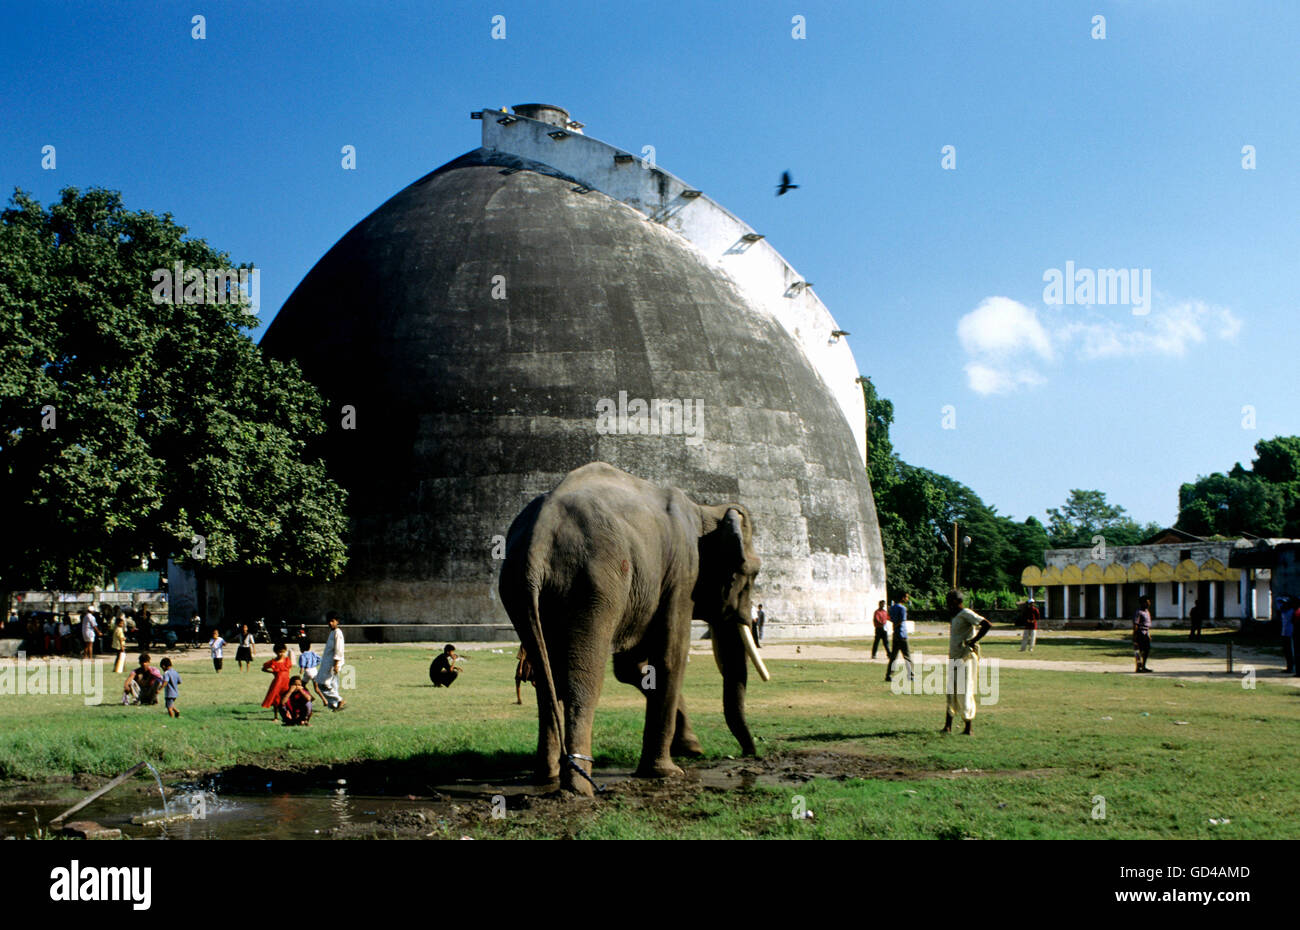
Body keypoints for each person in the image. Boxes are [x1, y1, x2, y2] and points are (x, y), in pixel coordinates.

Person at [941, 590, 991, 735]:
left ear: (956, 602)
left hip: (966, 657)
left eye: (949, 602)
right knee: (951, 691)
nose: (947, 605)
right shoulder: (956, 616)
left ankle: (968, 726)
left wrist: (973, 641)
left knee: (964, 691)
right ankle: (947, 726)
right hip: (955, 657)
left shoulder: (966, 613)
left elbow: (987, 624)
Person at [318, 613, 347, 711]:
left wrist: (336, 664)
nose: (330, 623)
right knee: (333, 684)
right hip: (328, 661)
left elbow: (339, 649)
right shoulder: (332, 632)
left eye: (332, 621)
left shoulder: (338, 633)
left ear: (337, 622)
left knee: (322, 683)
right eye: (329, 621)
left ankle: (338, 700)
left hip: (332, 663)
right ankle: (335, 705)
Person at [885, 592, 914, 682]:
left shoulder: (892, 608)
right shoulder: (902, 608)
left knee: (894, 656)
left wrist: (895, 626)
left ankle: (889, 675)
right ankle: (911, 675)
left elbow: (890, 618)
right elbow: (901, 621)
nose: (907, 599)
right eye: (906, 597)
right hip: (902, 634)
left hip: (895, 634)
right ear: (902, 598)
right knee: (907, 656)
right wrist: (897, 626)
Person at [261, 645, 293, 719]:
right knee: (276, 699)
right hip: (277, 683)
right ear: (275, 652)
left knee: (287, 698)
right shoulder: (273, 662)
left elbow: (289, 669)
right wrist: (271, 672)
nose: (281, 654)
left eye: (283, 652)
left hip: (286, 682)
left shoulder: (287, 660)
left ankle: (288, 715)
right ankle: (276, 716)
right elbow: (263, 668)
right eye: (279, 652)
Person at [298, 637, 325, 704]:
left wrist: (301, 668)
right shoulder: (313, 653)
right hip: (314, 671)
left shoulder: (303, 655)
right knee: (317, 688)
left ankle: (310, 696)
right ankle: (325, 700)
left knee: (302, 685)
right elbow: (320, 659)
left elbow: (303, 663)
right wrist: (315, 664)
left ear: (301, 648)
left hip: (308, 671)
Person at [1133, 595, 1154, 673]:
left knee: (1146, 650)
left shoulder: (1147, 612)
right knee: (1139, 651)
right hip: (1140, 633)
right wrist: (1135, 635)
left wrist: (1148, 634)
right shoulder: (1139, 612)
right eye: (1147, 602)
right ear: (1143, 603)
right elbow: (1135, 624)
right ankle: (1138, 667)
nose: (1149, 603)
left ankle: (1143, 666)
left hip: (1146, 633)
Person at [1279, 596, 1295, 673]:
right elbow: (1278, 600)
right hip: (1284, 633)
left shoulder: (1292, 611)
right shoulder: (1283, 611)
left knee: (1291, 652)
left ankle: (1291, 667)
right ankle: (1289, 667)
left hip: (1291, 633)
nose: (1283, 605)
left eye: (1285, 603)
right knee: (1286, 652)